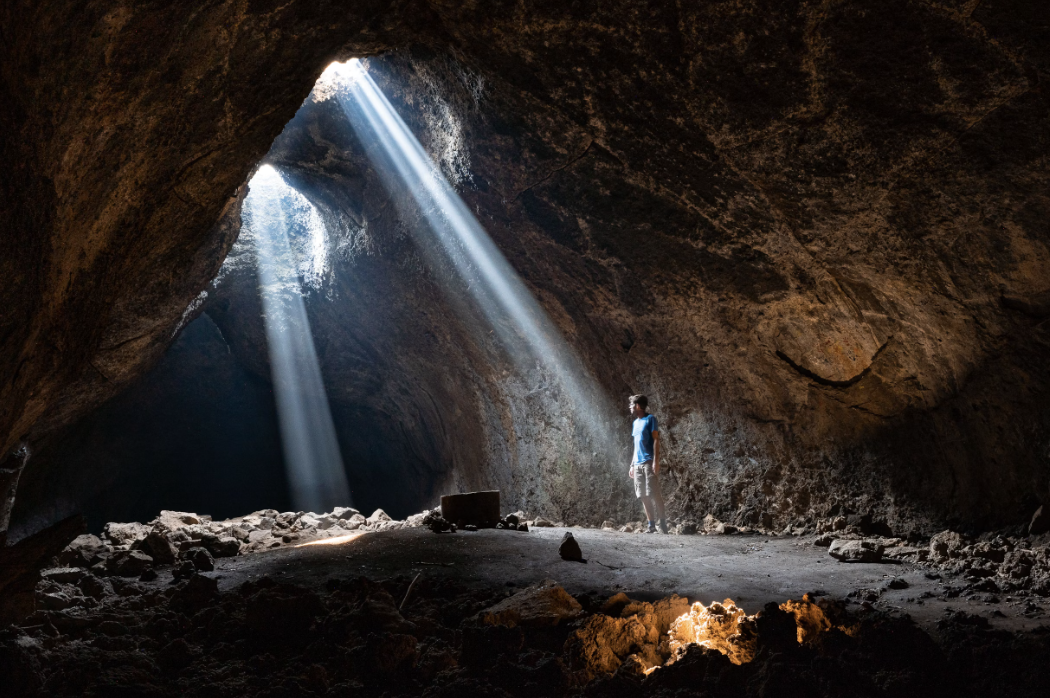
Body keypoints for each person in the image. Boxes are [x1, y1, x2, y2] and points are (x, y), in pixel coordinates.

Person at [628, 394, 667, 533]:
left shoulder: (650, 419)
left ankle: (662, 524)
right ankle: (651, 525)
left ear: (638, 406)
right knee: (643, 495)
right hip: (637, 464)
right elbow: (636, 445)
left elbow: (656, 440)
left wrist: (656, 461)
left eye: (631, 405)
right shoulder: (635, 423)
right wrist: (632, 465)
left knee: (654, 494)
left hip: (648, 462)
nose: (630, 407)